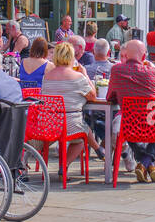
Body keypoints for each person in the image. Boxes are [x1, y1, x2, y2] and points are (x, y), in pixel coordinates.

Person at [106, 40, 155, 183]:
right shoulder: (152, 71)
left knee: (126, 127)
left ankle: (144, 163)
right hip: (153, 124)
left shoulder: (117, 70)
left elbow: (109, 97)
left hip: (130, 125)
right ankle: (148, 164)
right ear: (144, 57)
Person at [39, 41, 107, 172]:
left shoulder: (46, 77)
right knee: (81, 139)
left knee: (81, 126)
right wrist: (86, 75)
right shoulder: (78, 77)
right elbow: (93, 96)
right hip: (69, 124)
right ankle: (64, 166)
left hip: (49, 124)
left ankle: (98, 149)